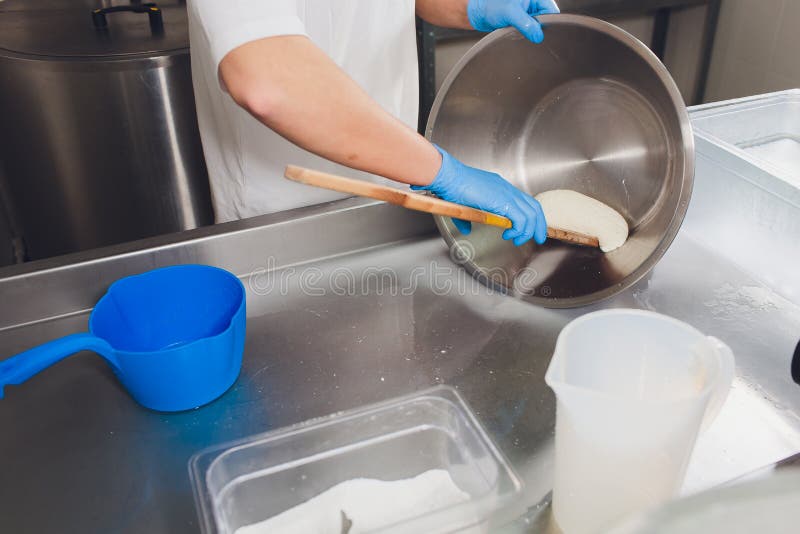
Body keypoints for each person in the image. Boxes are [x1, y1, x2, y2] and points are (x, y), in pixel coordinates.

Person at [188, 0, 558, 246]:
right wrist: (445, 173)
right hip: (287, 223)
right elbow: (267, 79)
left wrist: (471, 5)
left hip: (395, 189)